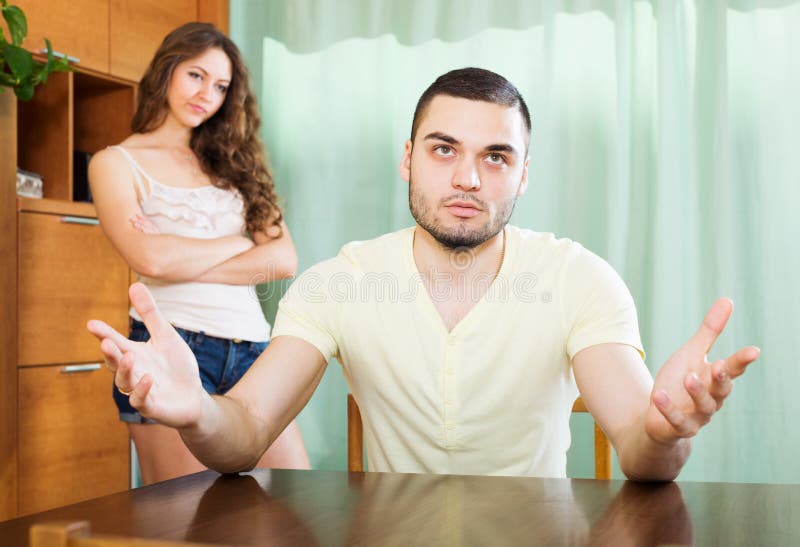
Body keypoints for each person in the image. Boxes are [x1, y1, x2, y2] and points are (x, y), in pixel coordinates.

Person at [88, 67, 759, 480]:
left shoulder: (580, 277)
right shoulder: (340, 281)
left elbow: (642, 451)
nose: (468, 177)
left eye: (497, 157)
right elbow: (243, 435)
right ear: (408, 158)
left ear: (525, 172)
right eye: (445, 149)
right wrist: (199, 410)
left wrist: (668, 432)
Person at [87, 22, 309, 484]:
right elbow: (150, 262)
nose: (207, 92)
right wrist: (241, 243)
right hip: (172, 347)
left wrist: (180, 257)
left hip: (254, 352)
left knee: (294, 506)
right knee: (185, 521)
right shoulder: (115, 163)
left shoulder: (237, 165)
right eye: (196, 75)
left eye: (221, 85)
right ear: (167, 70)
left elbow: (284, 260)